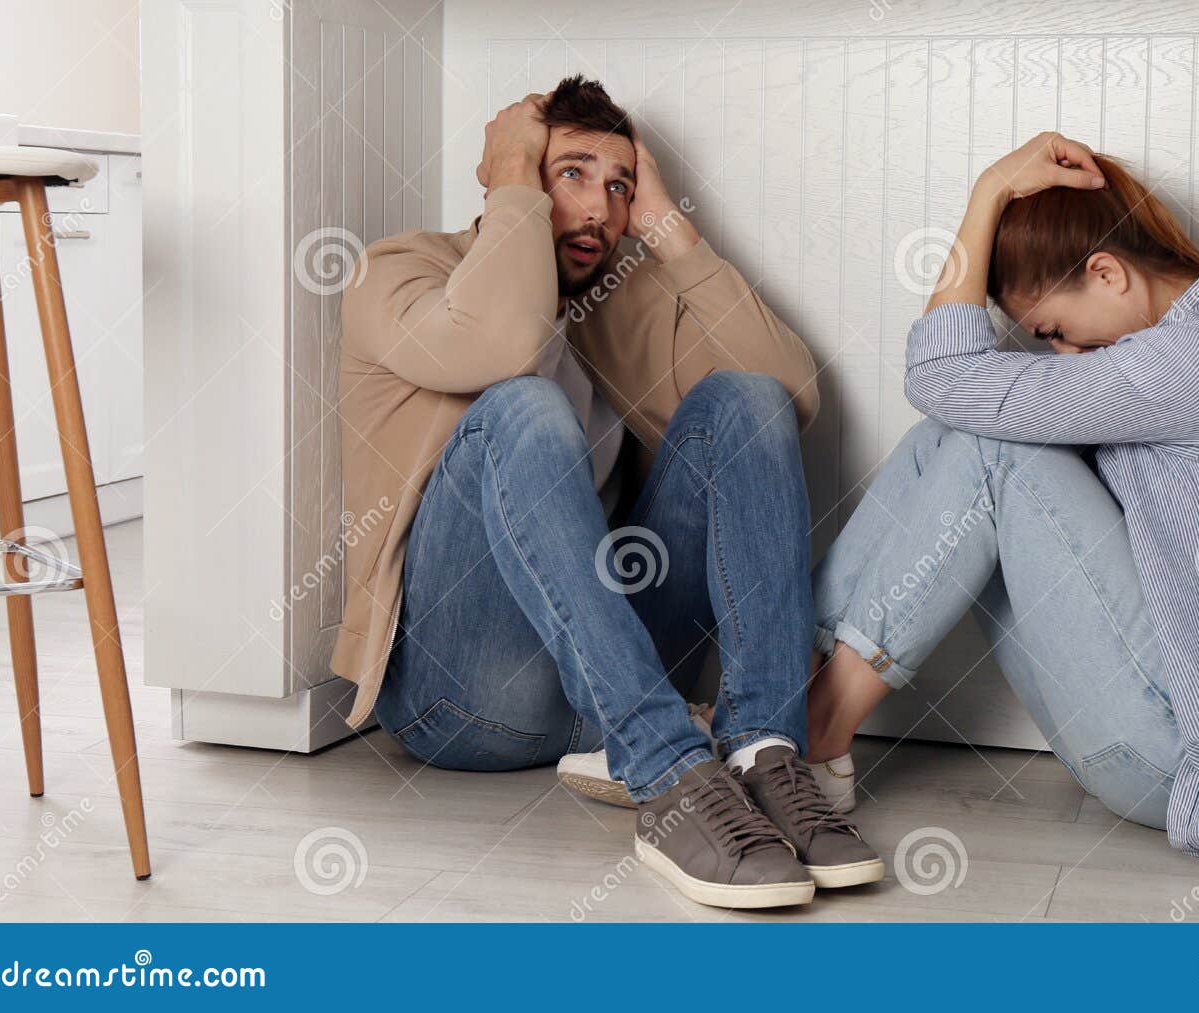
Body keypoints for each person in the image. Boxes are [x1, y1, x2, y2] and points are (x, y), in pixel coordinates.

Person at [335, 76, 882, 909]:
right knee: (521, 405)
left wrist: (668, 229)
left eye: (618, 186)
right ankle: (670, 776)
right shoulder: (400, 272)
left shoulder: (607, 311)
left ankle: (766, 751)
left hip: (604, 689)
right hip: (460, 698)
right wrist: (513, 172)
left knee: (744, 400)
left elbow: (790, 392)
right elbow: (506, 344)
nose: (598, 208)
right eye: (572, 174)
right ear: (513, 174)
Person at [805, 134, 1199, 869]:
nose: (1061, 356)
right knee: (960, 428)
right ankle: (784, 694)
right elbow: (953, 394)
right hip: (1169, 733)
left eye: (1056, 332)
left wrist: (991, 189)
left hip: (1196, 764)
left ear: (1108, 273)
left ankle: (812, 729)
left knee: (992, 442)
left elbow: (940, 370)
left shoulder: (1191, 361)